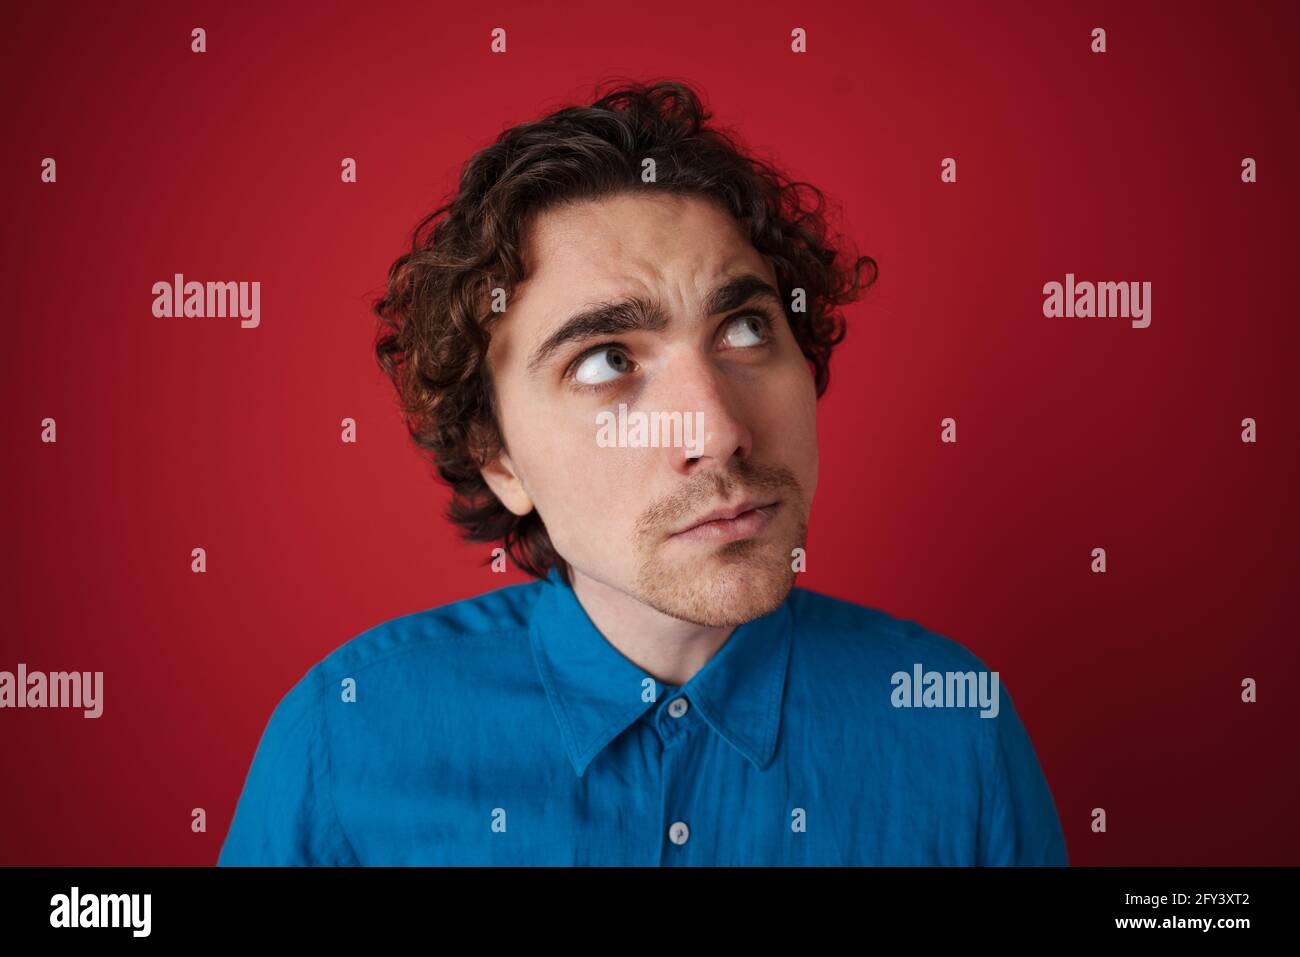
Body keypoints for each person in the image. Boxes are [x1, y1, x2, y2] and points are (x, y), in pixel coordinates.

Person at [218, 78, 1068, 866]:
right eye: (607, 359)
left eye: (743, 330)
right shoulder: (344, 738)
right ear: (499, 457)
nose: (719, 432)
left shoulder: (956, 727)